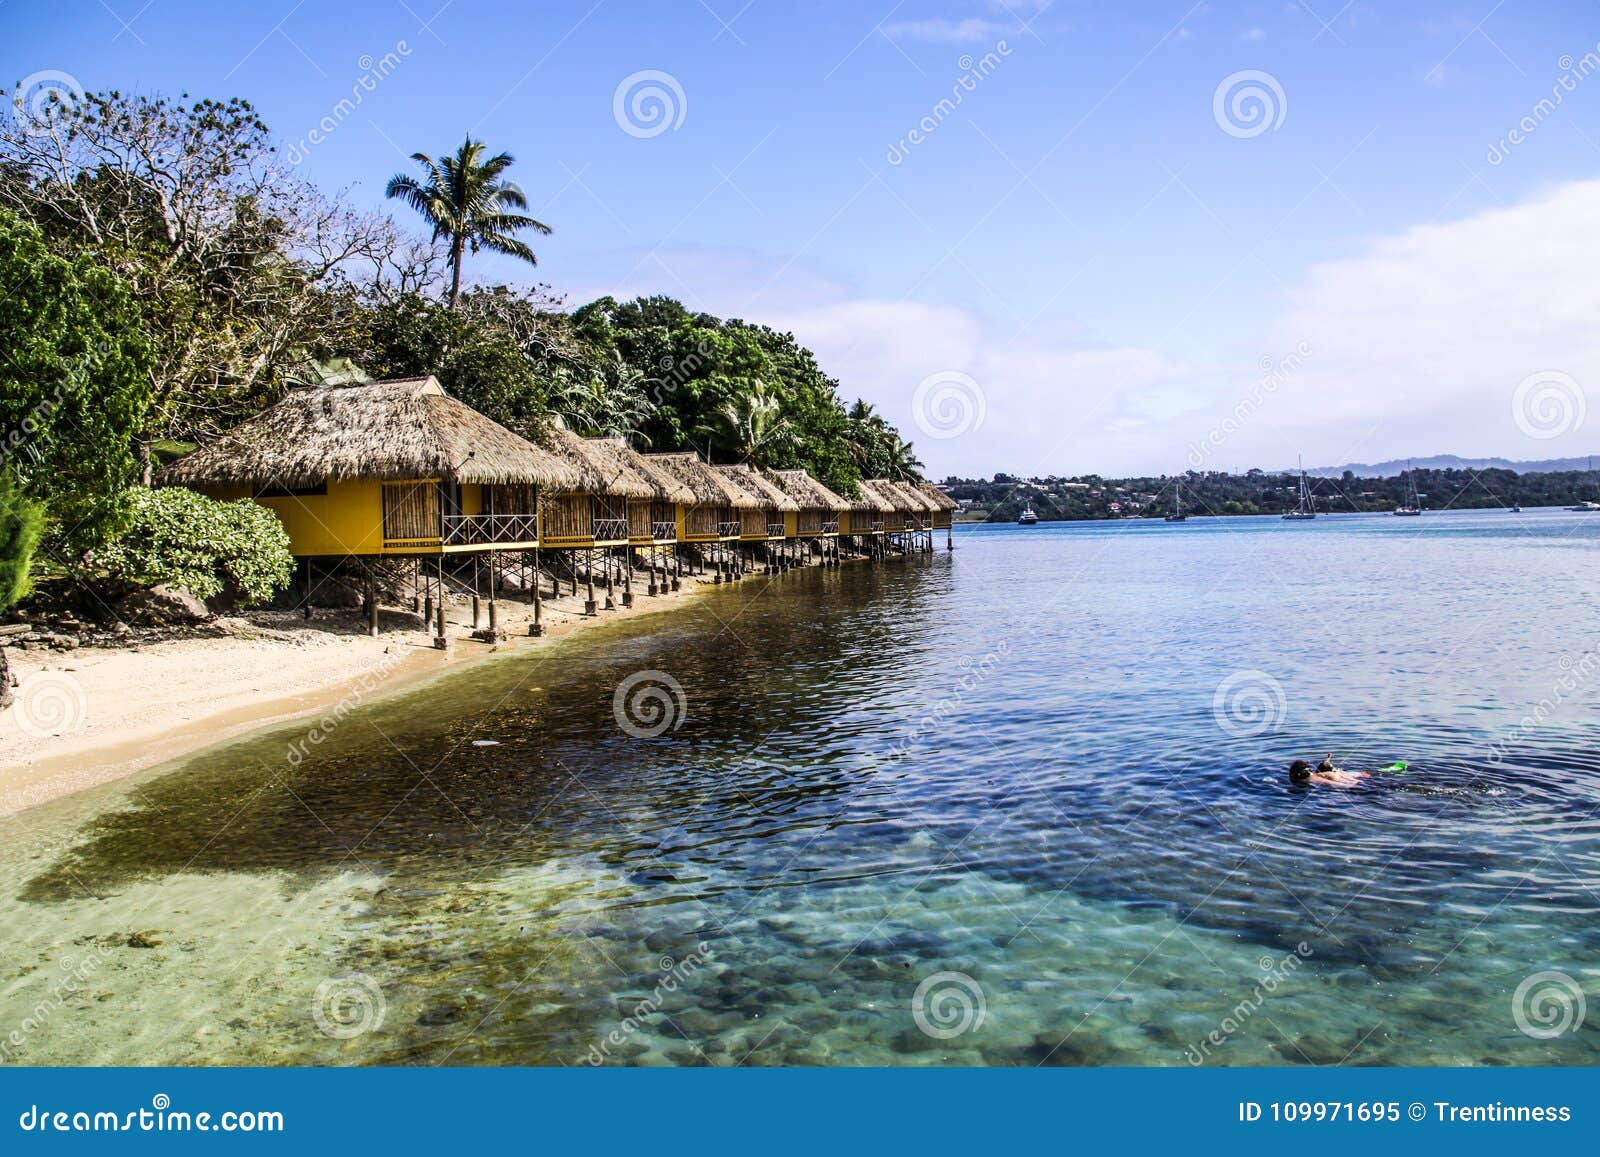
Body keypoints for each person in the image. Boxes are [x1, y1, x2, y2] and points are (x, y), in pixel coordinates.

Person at [1288, 758, 1369, 788]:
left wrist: (1349, 786)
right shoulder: (1315, 774)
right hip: (1338, 775)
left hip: (1356, 784)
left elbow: (1331, 783)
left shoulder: (1310, 779)